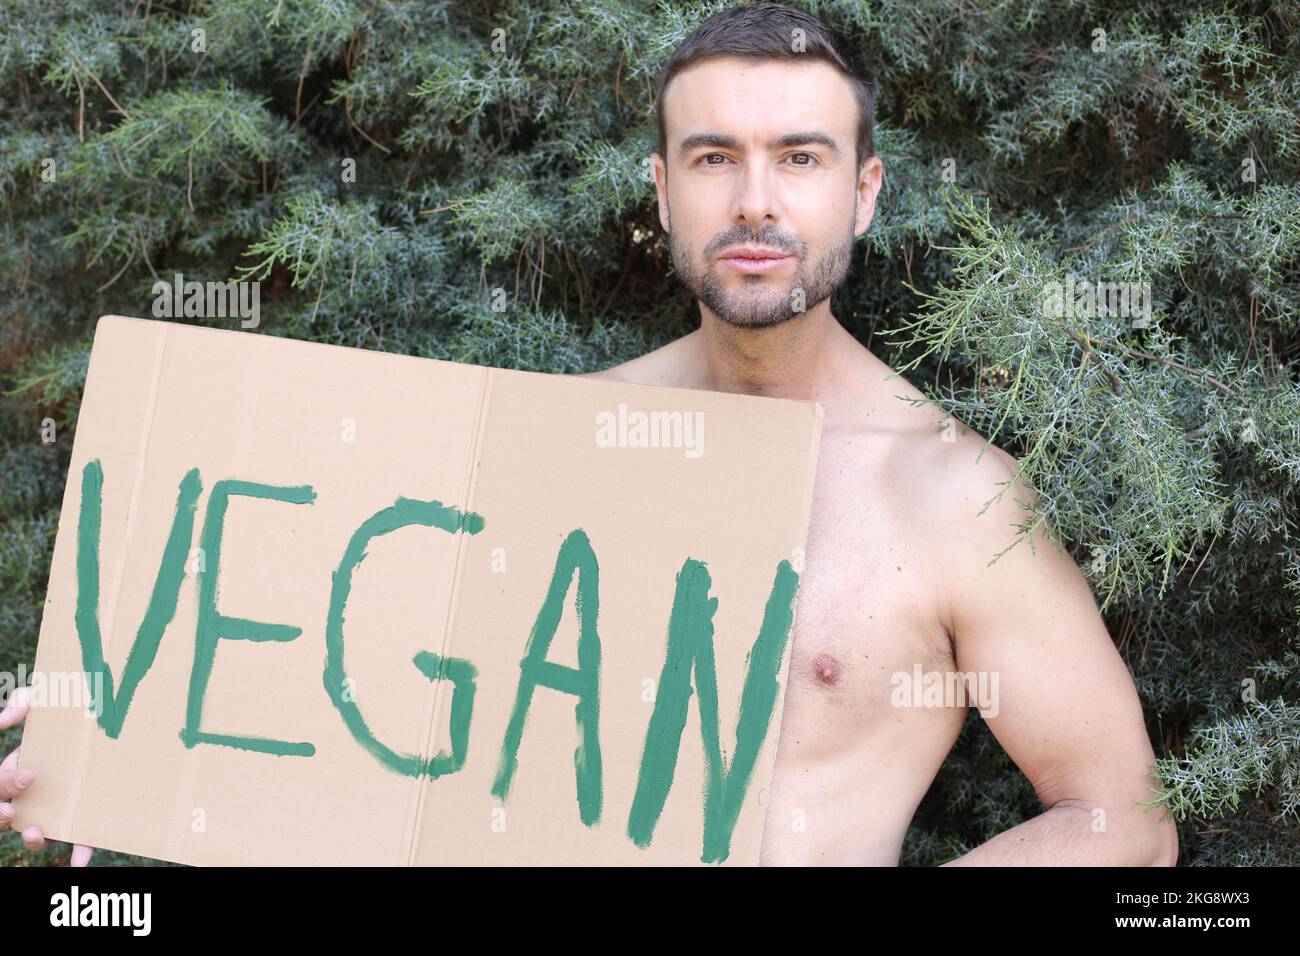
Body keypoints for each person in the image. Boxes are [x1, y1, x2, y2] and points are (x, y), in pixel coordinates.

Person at [0, 2, 1177, 866]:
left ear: (862, 192)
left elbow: (1122, 818)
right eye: (713, 158)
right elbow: (372, 738)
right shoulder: (545, 446)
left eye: (799, 157)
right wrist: (119, 757)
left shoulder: (954, 497)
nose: (754, 200)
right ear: (661, 190)